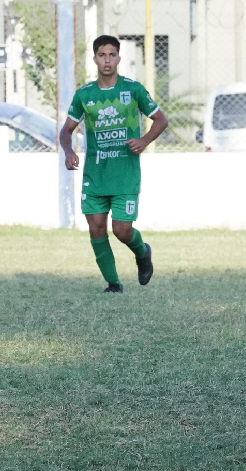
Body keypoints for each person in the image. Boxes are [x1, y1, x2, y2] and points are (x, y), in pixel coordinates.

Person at [59, 35, 166, 293]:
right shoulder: (85, 95)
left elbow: (161, 120)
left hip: (125, 175)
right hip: (95, 175)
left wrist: (144, 140)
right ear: (95, 58)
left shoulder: (133, 90)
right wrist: (68, 151)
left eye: (112, 55)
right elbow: (66, 131)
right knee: (96, 228)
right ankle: (113, 284)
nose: (107, 60)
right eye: (101, 55)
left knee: (121, 230)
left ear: (119, 57)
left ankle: (142, 252)